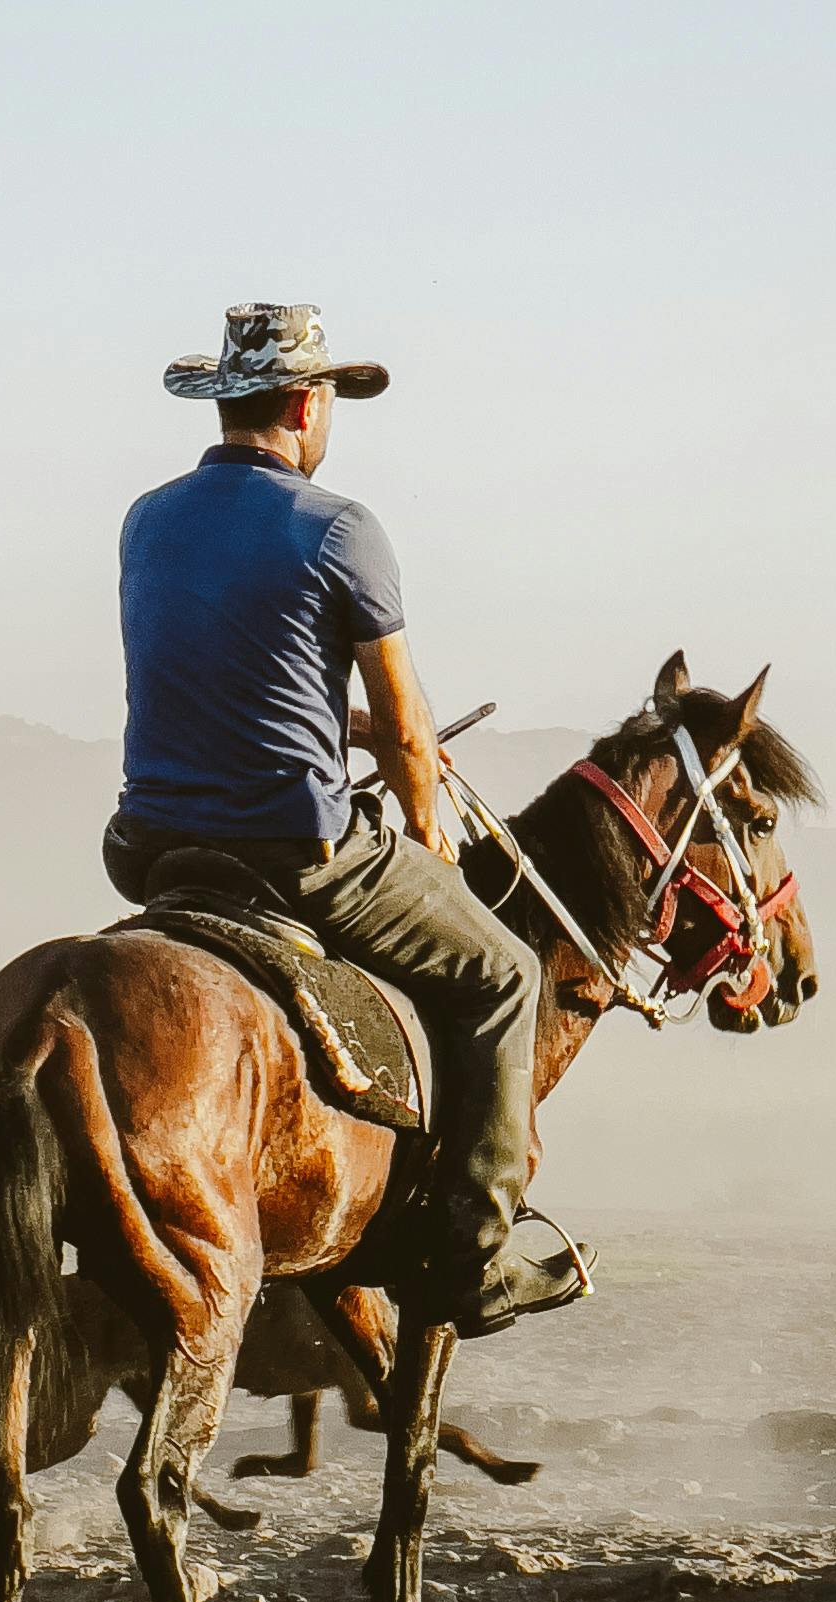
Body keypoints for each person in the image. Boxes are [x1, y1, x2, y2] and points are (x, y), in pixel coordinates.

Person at [106, 302, 590, 1339]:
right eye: (327, 400)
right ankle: (475, 1257)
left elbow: (239, 680)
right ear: (304, 402)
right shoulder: (339, 528)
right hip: (295, 851)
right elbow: (414, 731)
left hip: (147, 846)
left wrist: (349, 731)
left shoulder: (147, 517)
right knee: (505, 974)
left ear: (227, 400)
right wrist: (429, 827)